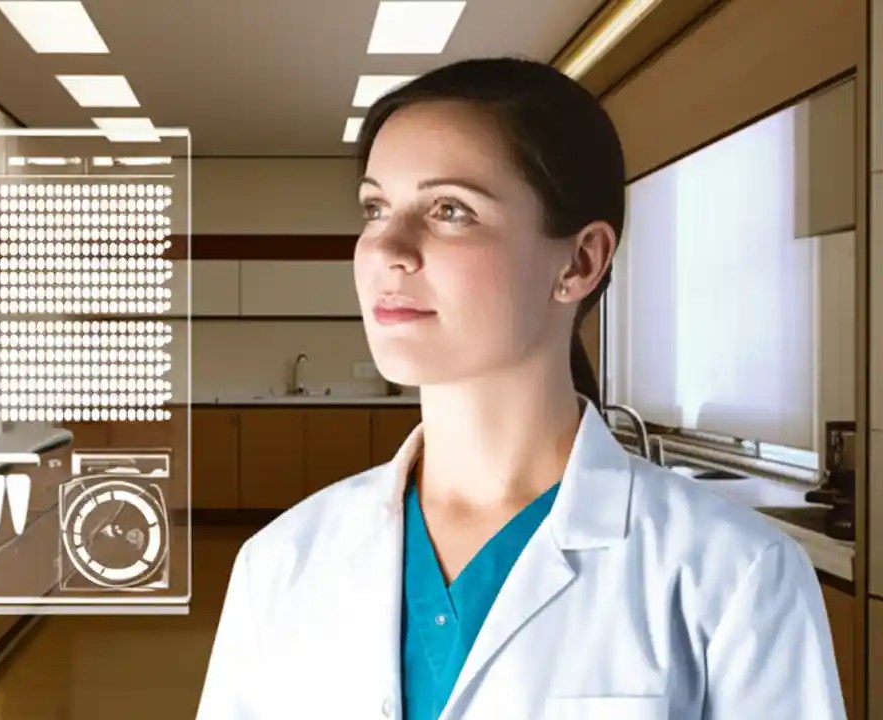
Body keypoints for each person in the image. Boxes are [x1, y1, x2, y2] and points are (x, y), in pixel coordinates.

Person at [196, 57, 845, 720]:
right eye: (375, 207)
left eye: (450, 210)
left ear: (579, 261)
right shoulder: (281, 562)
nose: (390, 247)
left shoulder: (733, 576)